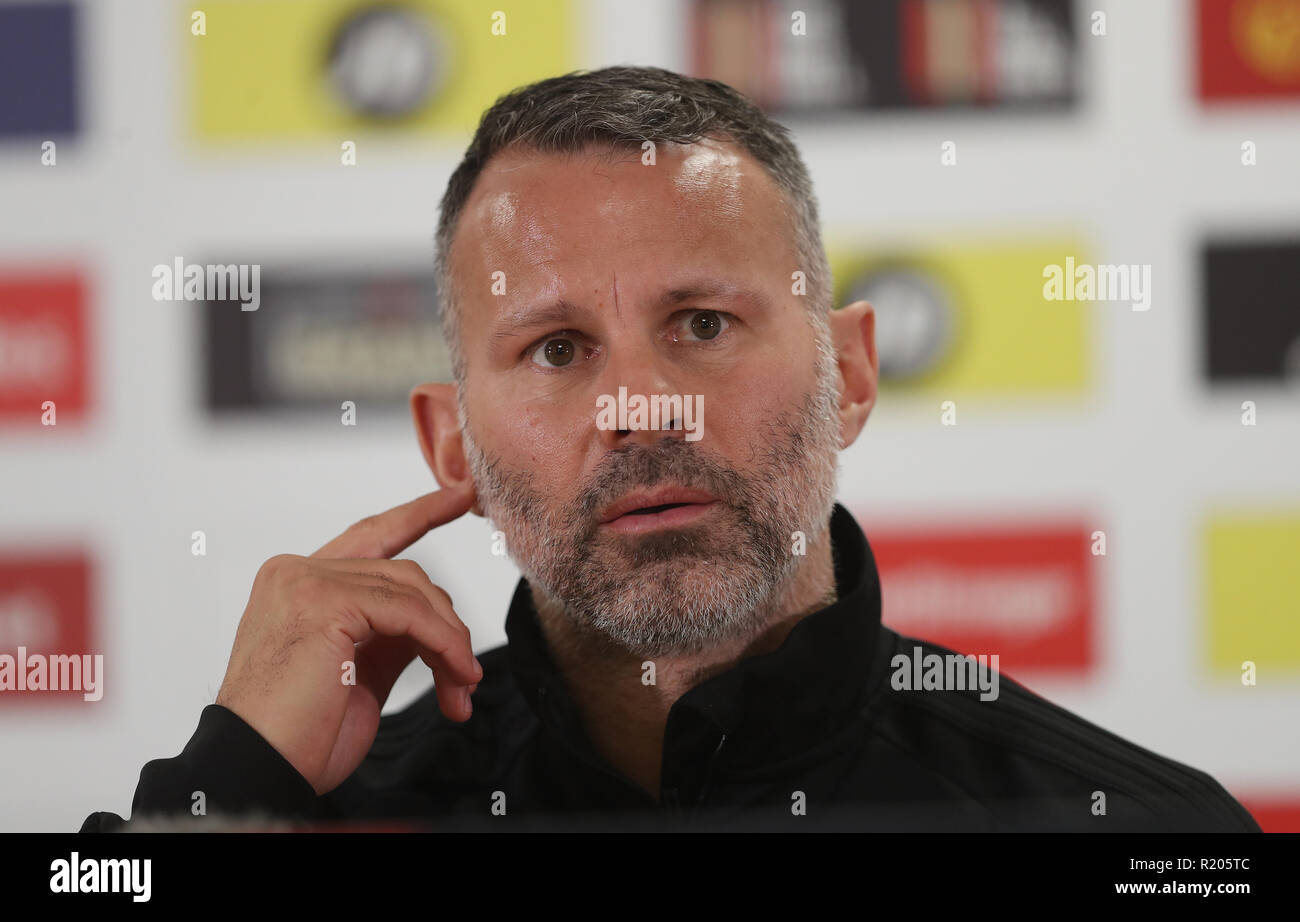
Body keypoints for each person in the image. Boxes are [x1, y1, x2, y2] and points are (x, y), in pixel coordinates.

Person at [82, 66, 1258, 832]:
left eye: (702, 324)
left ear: (848, 374)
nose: (642, 408)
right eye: (555, 349)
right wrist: (222, 788)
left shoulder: (1143, 830)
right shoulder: (296, 819)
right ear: (453, 447)